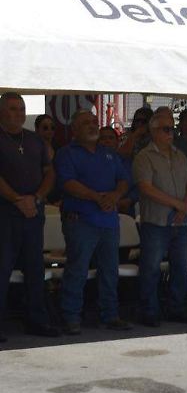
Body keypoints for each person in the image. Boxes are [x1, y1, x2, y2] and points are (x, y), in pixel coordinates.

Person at [55, 109, 132, 335]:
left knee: (109, 271)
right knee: (77, 270)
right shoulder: (67, 153)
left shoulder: (108, 154)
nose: (92, 126)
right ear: (74, 129)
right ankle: (71, 317)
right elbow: (68, 183)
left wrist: (115, 196)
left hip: (108, 221)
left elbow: (124, 180)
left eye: (94, 122)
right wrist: (96, 197)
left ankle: (110, 315)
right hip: (81, 221)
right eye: (86, 123)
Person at [0, 93, 60, 340]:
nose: (19, 113)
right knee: (2, 268)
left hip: (33, 212)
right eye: (13, 108)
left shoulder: (35, 140)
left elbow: (49, 172)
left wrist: (36, 197)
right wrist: (17, 199)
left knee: (35, 269)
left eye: (22, 108)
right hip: (5, 214)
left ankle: (37, 320)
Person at [133, 111, 187, 327]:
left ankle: (176, 308)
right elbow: (145, 188)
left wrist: (185, 206)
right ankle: (149, 311)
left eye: (173, 129)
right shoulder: (144, 157)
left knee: (180, 267)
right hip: (156, 222)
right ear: (153, 131)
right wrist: (178, 204)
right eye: (166, 129)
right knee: (151, 268)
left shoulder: (180, 155)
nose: (171, 133)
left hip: (181, 221)